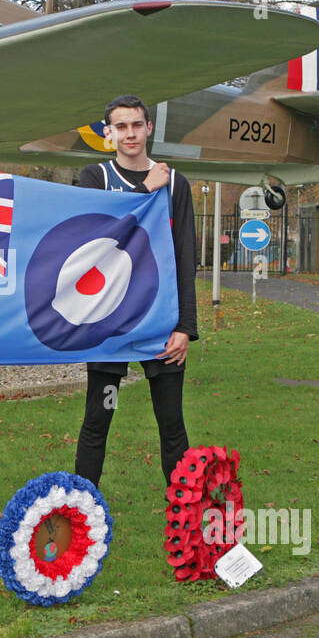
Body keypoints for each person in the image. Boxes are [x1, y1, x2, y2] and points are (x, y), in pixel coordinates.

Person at [73, 94, 198, 489]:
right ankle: (81, 514)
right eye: (121, 126)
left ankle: (187, 520)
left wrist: (185, 326)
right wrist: (146, 188)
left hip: (159, 320)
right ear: (108, 134)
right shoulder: (94, 178)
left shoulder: (176, 183)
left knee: (172, 423)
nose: (130, 133)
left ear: (148, 129)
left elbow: (184, 256)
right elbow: (101, 235)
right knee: (98, 419)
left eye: (137, 125)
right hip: (110, 321)